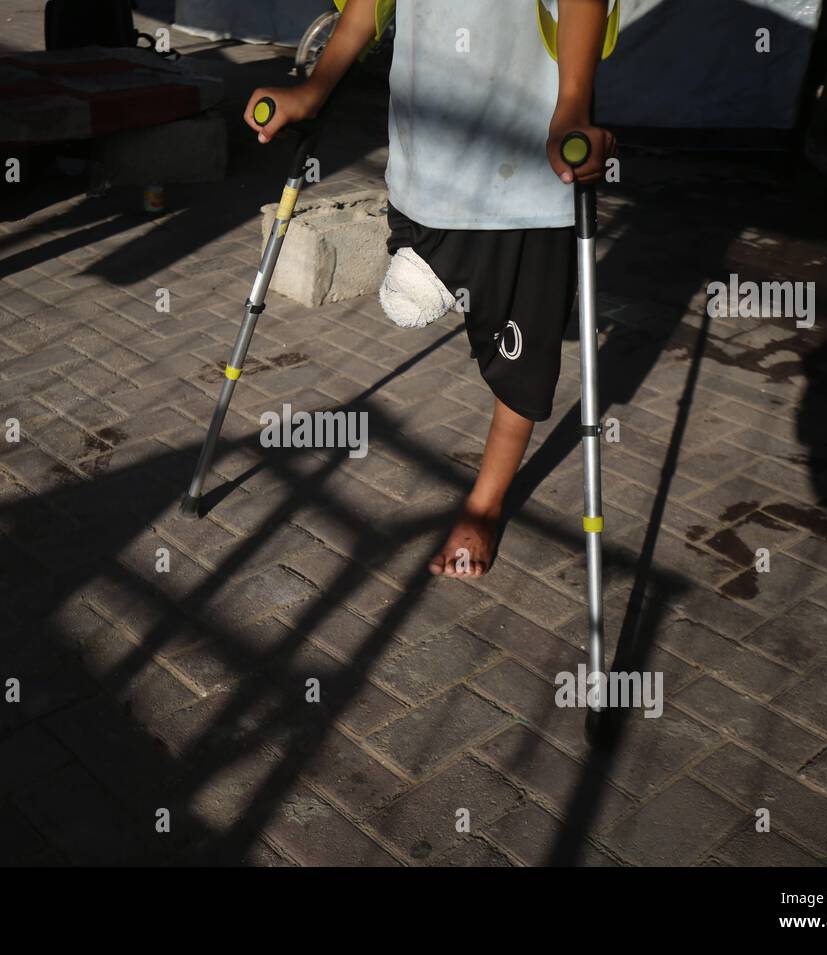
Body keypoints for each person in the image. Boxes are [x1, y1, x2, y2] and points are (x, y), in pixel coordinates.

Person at [247, 0, 617, 577]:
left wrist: (572, 103)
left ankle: (485, 505)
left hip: (524, 182)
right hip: (423, 173)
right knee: (409, 300)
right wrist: (314, 88)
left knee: (520, 365)